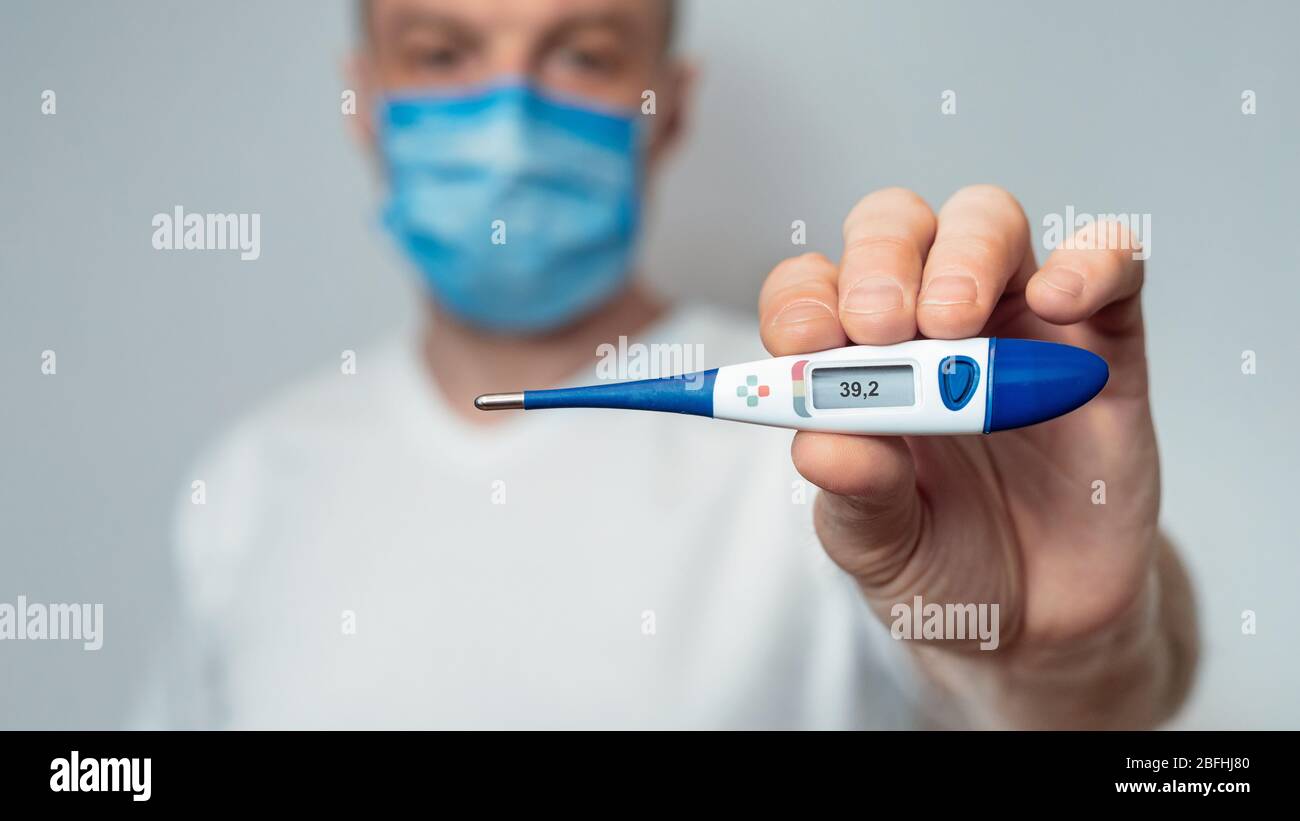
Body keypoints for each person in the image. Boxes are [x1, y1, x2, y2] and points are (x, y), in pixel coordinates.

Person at [138, 0, 1197, 729]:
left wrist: (1067, 654)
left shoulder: (860, 458)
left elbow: (1118, 737)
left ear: (670, 105)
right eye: (441, 52)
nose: (508, 120)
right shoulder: (250, 479)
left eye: (584, 53)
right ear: (363, 98)